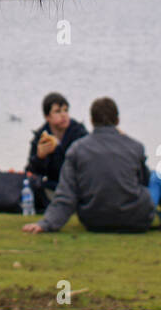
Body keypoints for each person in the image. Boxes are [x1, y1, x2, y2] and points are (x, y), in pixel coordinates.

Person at [23, 97, 153, 234]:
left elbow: (66, 195)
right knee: (156, 178)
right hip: (135, 219)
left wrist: (46, 224)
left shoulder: (77, 149)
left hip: (94, 219)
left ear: (91, 121)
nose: (63, 114)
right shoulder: (135, 147)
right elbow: (144, 181)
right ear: (118, 120)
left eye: (65, 110)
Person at [26, 92, 88, 192]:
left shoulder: (79, 133)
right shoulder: (41, 137)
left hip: (76, 186)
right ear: (47, 117)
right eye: (58, 111)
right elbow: (31, 173)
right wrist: (40, 157)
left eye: (66, 110)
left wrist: (59, 149)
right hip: (52, 185)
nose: (63, 115)